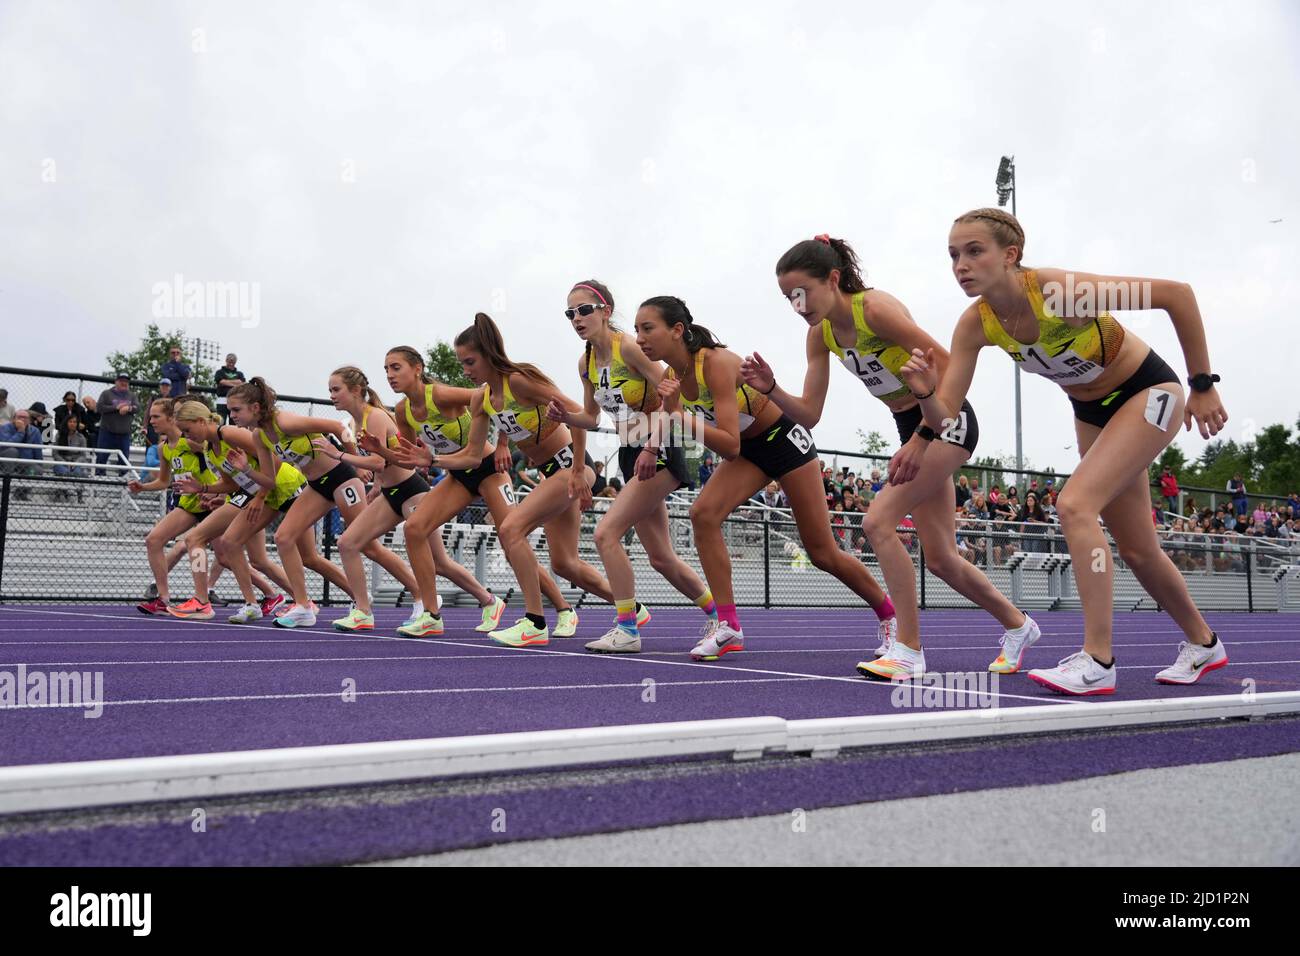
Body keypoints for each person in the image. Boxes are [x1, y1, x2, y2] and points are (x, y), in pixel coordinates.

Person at [894, 205, 1229, 694]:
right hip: (1092, 413)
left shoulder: (1060, 291)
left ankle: (1098, 659)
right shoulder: (976, 325)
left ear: (1011, 255)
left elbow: (1177, 295)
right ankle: (1204, 644)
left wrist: (1203, 384)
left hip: (1149, 393)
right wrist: (926, 392)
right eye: (952, 255)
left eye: (973, 251)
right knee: (1137, 547)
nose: (960, 265)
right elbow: (946, 419)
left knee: (1074, 505)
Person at [748, 234, 1034, 678]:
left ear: (834, 278)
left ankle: (909, 650)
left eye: (802, 292)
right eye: (789, 298)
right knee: (939, 558)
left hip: (943, 416)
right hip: (909, 426)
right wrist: (770, 389)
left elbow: (951, 365)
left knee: (877, 521)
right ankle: (1018, 625)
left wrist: (922, 434)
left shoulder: (875, 310)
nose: (798, 304)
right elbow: (810, 415)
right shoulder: (819, 335)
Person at [641, 295, 893, 660]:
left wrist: (679, 414)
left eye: (647, 328)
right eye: (636, 330)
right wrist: (651, 447)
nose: (639, 338)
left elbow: (726, 444)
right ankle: (729, 625)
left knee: (822, 553)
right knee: (703, 514)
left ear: (677, 330)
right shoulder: (670, 375)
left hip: (784, 443)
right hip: (750, 453)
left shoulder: (716, 364)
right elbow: (674, 416)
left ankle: (889, 616)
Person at [544, 280, 719, 654]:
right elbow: (591, 418)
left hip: (660, 445)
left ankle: (627, 627)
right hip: (630, 449)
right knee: (661, 557)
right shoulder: (586, 361)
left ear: (605, 310)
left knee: (606, 533)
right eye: (570, 313)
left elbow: (672, 393)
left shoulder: (629, 347)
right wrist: (566, 417)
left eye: (584, 310)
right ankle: (721, 616)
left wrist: (653, 447)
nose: (577, 318)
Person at [444, 313, 614, 648]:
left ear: (489, 353)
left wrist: (579, 471)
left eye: (469, 362)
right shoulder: (481, 398)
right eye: (461, 363)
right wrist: (429, 459)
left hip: (569, 465)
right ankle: (630, 608)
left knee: (510, 529)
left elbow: (578, 415)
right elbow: (473, 455)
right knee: (564, 563)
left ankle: (535, 622)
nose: (465, 370)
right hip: (550, 473)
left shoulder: (519, 381)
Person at [325, 365, 503, 634]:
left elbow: (378, 460)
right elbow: (387, 462)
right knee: (348, 542)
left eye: (336, 389)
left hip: (412, 490)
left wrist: (338, 456)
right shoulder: (356, 421)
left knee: (440, 562)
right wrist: (378, 487)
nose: (331, 395)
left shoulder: (375, 417)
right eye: (330, 391)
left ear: (356, 391)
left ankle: (488, 600)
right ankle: (362, 611)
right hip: (391, 493)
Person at [170, 400, 297, 621]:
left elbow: (273, 460)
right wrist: (204, 489)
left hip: (278, 487)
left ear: (201, 421)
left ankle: (204, 601)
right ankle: (256, 603)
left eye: (188, 431)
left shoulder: (229, 434)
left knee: (308, 556)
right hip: (251, 492)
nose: (186, 437)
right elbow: (231, 484)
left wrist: (259, 497)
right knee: (250, 557)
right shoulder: (210, 449)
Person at [128, 399, 222, 613]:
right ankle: (163, 598)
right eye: (150, 417)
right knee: (153, 540)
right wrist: (142, 487)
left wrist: (214, 491)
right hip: (189, 504)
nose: (151, 421)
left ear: (171, 418)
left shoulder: (193, 441)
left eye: (156, 416)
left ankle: (275, 594)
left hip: (211, 502)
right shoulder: (163, 449)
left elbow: (220, 465)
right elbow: (163, 481)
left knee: (229, 556)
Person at [95, 373, 139, 476]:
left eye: (126, 381)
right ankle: (99, 481)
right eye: (121, 381)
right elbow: (99, 408)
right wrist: (116, 407)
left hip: (124, 433)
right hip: (107, 432)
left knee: (124, 461)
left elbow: (138, 408)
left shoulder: (132, 395)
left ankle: (123, 482)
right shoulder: (106, 394)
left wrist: (129, 408)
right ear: (116, 382)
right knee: (101, 458)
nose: (124, 383)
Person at [0, 409, 44, 478]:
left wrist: (39, 465)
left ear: (29, 420)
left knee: (37, 470)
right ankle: (8, 478)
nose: (22, 419)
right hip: (6, 463)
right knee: (12, 451)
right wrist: (20, 432)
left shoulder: (35, 431)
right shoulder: (5, 428)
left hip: (25, 463)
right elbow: (6, 446)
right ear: (13, 419)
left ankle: (23, 488)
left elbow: (37, 450)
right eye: (19, 417)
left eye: (25, 417)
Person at [214, 354, 246, 422]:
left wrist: (227, 382)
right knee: (220, 422)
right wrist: (235, 384)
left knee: (234, 423)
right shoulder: (220, 372)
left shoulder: (239, 374)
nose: (231, 364)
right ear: (226, 360)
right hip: (222, 400)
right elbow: (221, 381)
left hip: (235, 400)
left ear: (235, 362)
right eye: (229, 362)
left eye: (233, 362)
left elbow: (242, 382)